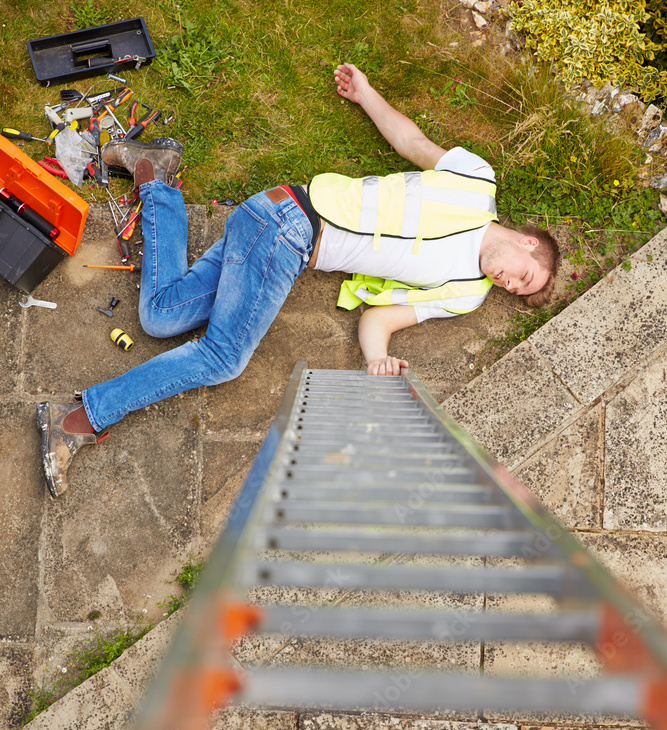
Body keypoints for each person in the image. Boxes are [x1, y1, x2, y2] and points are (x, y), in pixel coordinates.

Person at [37, 62, 560, 498]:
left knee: (160, 315)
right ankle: (79, 417)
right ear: (529, 243)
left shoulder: (468, 293)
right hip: (292, 224)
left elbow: (382, 318)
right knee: (223, 358)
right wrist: (368, 95)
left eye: (518, 291)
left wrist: (378, 358)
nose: (511, 283)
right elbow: (414, 143)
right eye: (525, 276)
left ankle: (156, 176)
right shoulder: (476, 180)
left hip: (270, 227)